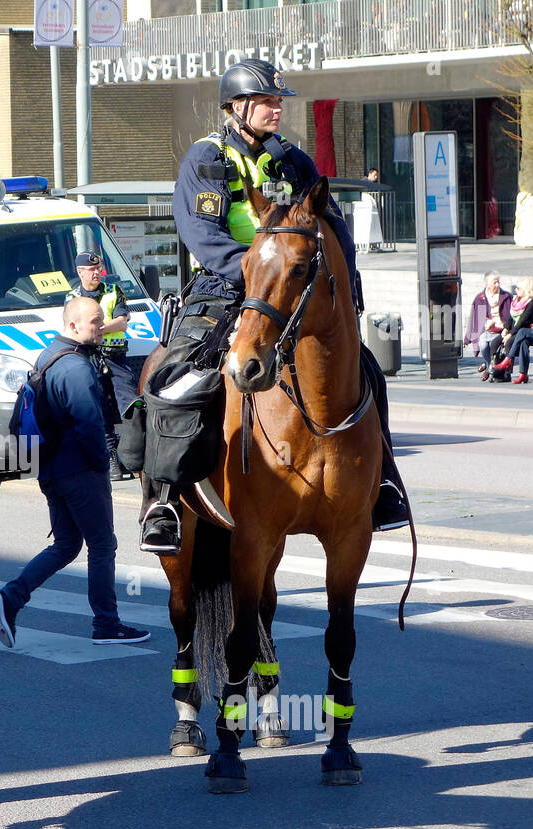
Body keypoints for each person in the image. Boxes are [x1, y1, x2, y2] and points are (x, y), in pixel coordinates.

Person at [140, 57, 408, 554]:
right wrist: (256, 272)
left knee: (366, 373)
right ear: (236, 107)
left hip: (292, 287)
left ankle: (384, 482)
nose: (275, 110)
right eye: (265, 101)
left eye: (278, 101)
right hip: (225, 288)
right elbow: (202, 235)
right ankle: (163, 501)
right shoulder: (207, 157)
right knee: (173, 376)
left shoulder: (293, 161)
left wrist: (346, 289)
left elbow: (334, 230)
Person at [0, 296, 151, 648]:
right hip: (79, 471)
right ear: (74, 325)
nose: (101, 326)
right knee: (102, 544)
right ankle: (106, 624)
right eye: (94, 321)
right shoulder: (76, 368)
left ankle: (11, 596)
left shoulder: (48, 356)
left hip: (51, 470)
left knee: (66, 544)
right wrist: (103, 466)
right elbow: (89, 425)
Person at [65, 250, 134, 479]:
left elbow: (122, 323)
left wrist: (97, 327)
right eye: (92, 270)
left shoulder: (114, 290)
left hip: (115, 356)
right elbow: (72, 327)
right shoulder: (72, 297)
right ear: (80, 272)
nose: (97, 273)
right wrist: (102, 326)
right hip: (89, 356)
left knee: (129, 403)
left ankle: (130, 452)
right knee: (99, 406)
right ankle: (111, 456)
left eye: (99, 269)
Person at [487, 276, 533, 381]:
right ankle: (496, 369)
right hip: (512, 330)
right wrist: (506, 329)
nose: (516, 290)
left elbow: (523, 321)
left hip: (524, 330)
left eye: (518, 288)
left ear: (526, 290)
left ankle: (507, 372)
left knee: (509, 343)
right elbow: (510, 317)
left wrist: (510, 334)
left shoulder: (532, 303)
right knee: (495, 343)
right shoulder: (516, 301)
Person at [466, 271, 511, 365]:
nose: (497, 284)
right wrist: (468, 337)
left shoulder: (506, 296)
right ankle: (490, 366)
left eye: (498, 282)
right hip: (486, 330)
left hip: (502, 330)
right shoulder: (480, 298)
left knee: (493, 345)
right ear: (486, 284)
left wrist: (504, 325)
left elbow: (511, 316)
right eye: (494, 282)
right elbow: (475, 318)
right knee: (483, 345)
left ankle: (491, 368)